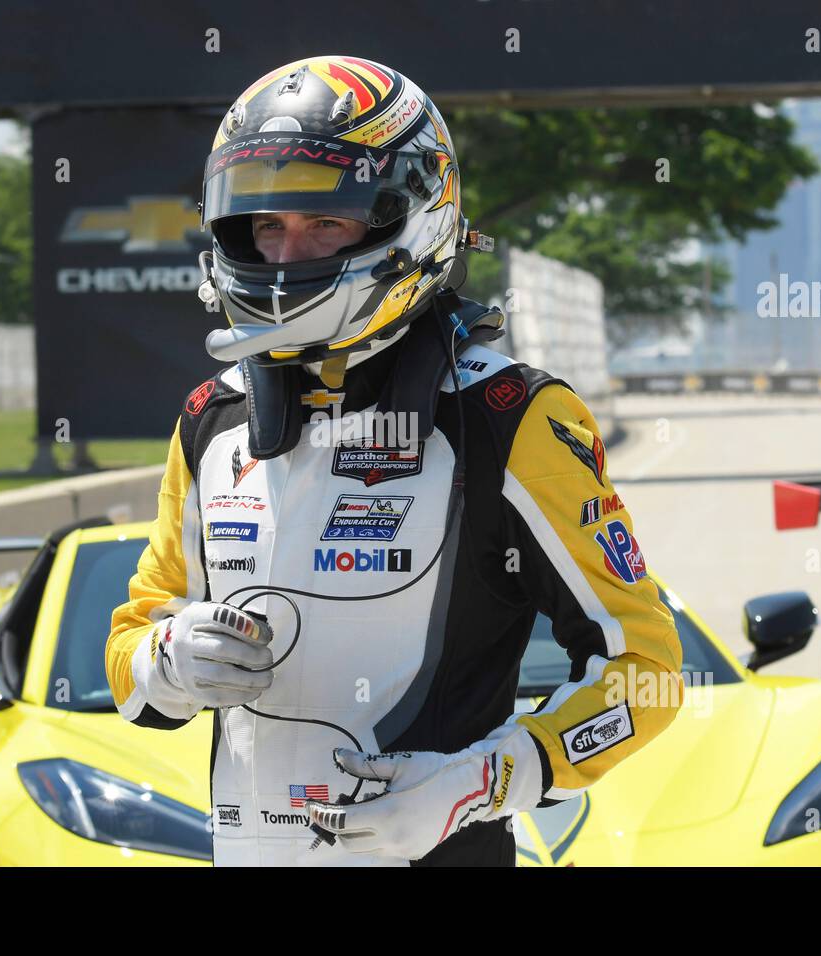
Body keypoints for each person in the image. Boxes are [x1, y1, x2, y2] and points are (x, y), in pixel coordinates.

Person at [106, 55, 683, 866]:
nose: (283, 258)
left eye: (324, 223)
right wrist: (166, 661)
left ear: (408, 217)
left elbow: (647, 669)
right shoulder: (212, 419)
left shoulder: (508, 415)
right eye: (264, 226)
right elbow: (132, 650)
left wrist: (487, 781)